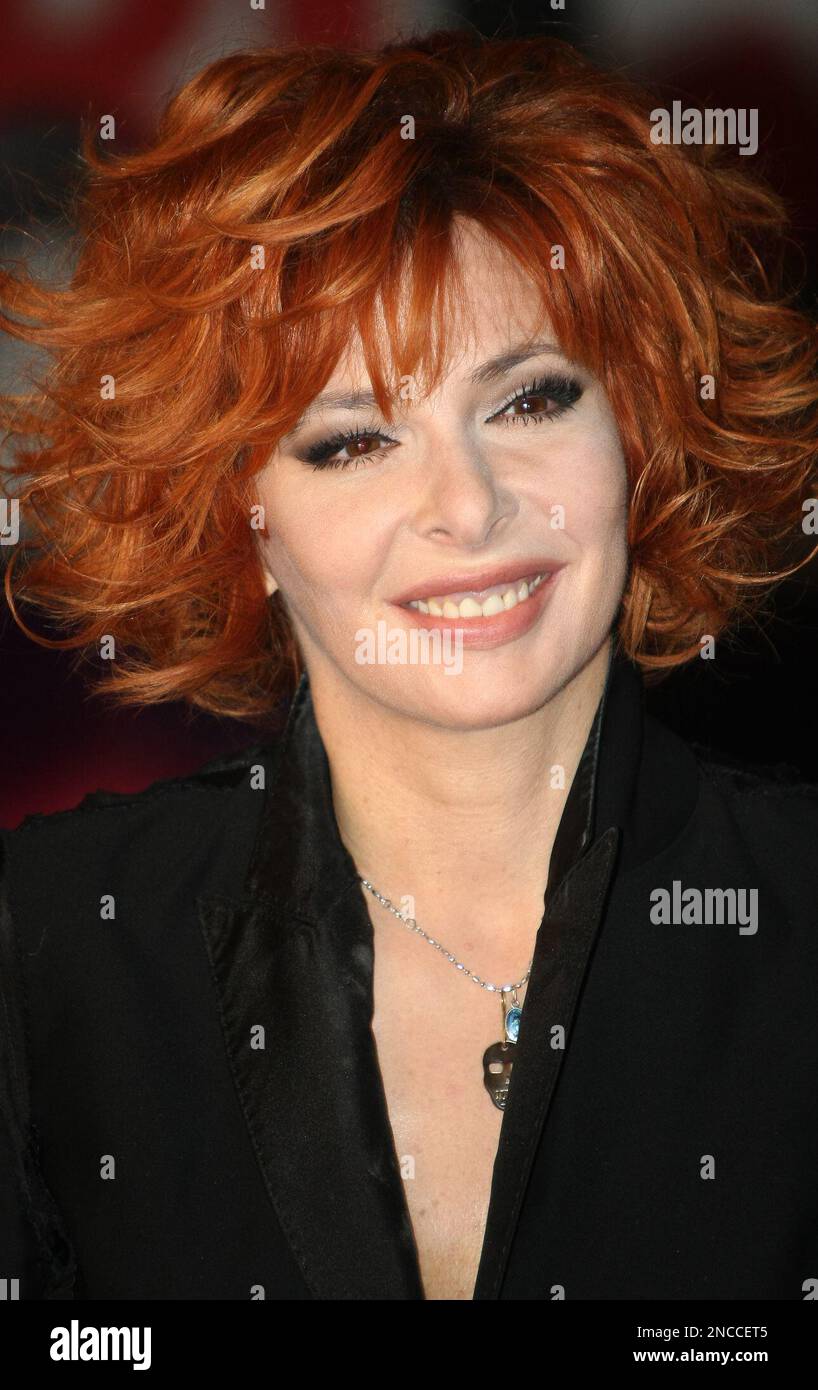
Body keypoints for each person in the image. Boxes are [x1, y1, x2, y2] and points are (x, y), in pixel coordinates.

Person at [0, 28, 817, 1302]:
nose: (467, 504)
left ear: (641, 431)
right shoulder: (49, 945)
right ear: (240, 523)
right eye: (350, 443)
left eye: (529, 399)